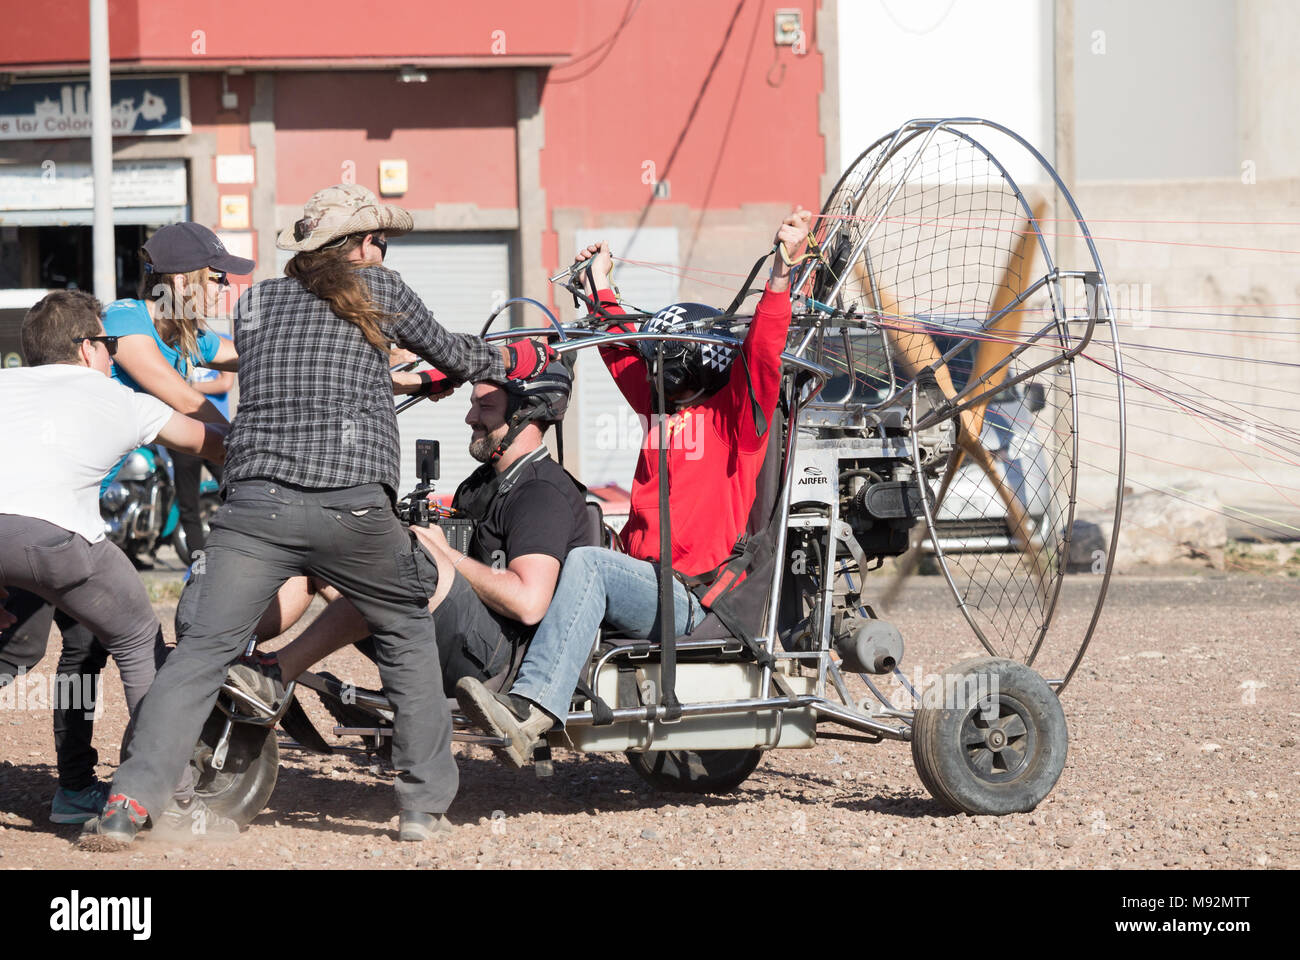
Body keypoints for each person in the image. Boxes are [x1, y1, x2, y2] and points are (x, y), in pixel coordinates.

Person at [79, 183, 559, 850]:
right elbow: (460, 354)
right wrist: (523, 358)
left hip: (255, 505)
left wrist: (408, 376)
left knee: (202, 652)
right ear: (358, 245)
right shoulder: (380, 288)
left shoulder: (257, 304)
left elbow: (315, 366)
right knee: (406, 634)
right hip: (353, 507)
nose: (383, 252)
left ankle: (127, 804)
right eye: (379, 241)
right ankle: (422, 807)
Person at [455, 207, 812, 766]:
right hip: (646, 582)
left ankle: (531, 712)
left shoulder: (737, 421)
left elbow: (763, 353)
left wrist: (782, 272)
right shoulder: (661, 409)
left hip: (691, 597)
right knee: (553, 550)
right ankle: (490, 675)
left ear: (693, 362)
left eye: (663, 358)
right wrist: (600, 287)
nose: (651, 369)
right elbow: (621, 348)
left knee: (590, 565)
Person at [225, 363, 589, 703]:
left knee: (396, 567)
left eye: (486, 407)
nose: (470, 417)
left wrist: (445, 554)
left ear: (524, 414)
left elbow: (528, 604)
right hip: (462, 638)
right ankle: (223, 650)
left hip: (501, 666)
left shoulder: (541, 493)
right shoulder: (479, 485)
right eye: (472, 404)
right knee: (325, 552)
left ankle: (277, 673)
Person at [0, 290, 229, 825]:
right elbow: (213, 443)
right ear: (86, 348)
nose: (113, 356)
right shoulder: (122, 399)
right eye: (109, 345)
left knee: (49, 648)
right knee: (138, 640)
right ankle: (174, 802)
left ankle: (75, 789)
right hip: (58, 541)